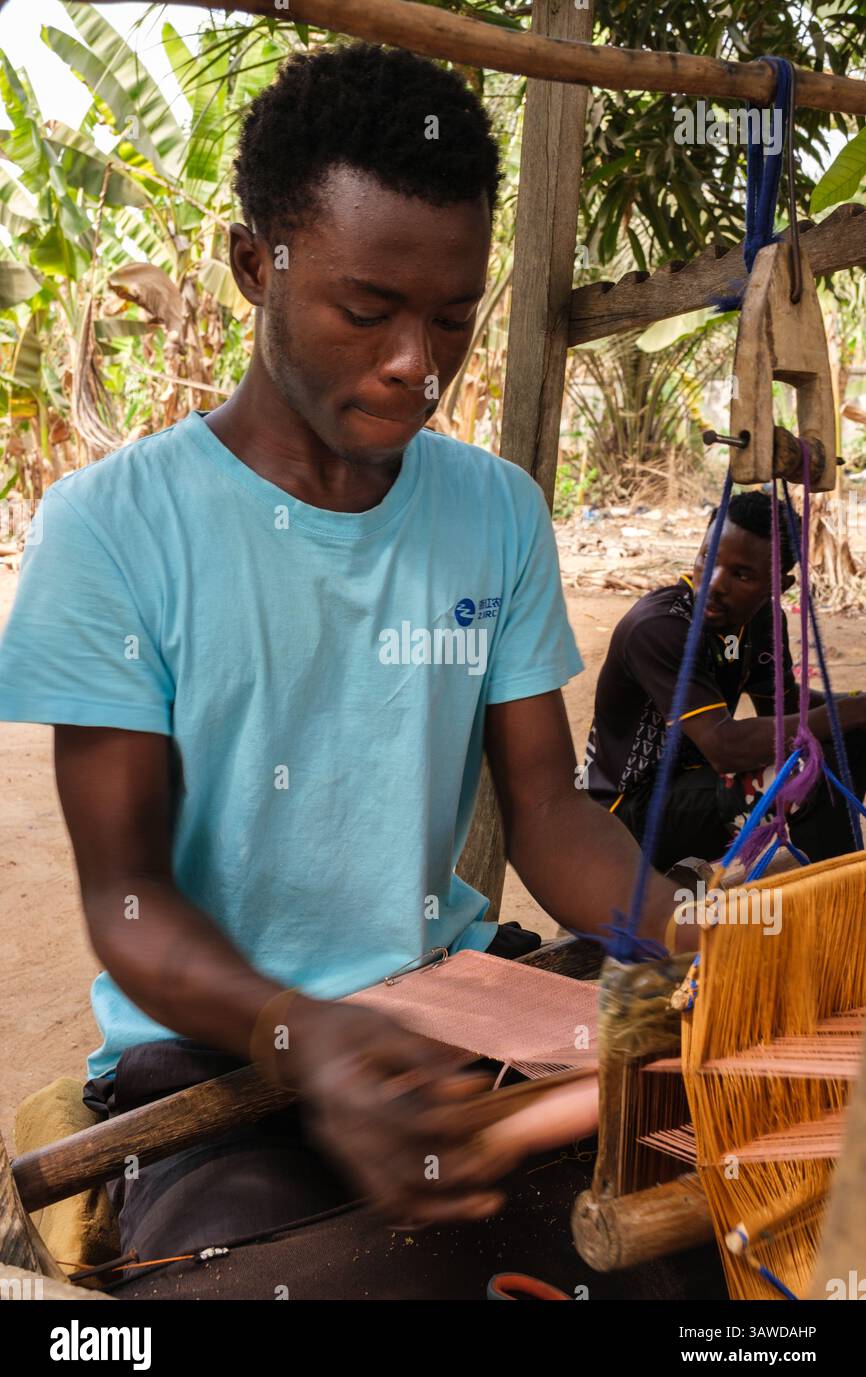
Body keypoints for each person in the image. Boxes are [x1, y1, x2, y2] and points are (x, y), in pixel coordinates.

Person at [0, 43, 683, 1276]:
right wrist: (297, 1033)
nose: (418, 362)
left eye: (452, 316)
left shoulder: (496, 511)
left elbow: (543, 807)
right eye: (369, 310)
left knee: (716, 1191)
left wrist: (691, 933)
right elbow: (128, 901)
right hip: (215, 1047)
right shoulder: (114, 529)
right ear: (254, 265)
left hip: (455, 1004)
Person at [585, 490, 866, 870]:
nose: (715, 583)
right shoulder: (661, 626)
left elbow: (783, 707)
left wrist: (855, 708)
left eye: (741, 574)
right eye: (708, 558)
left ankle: (838, 885)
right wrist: (852, 710)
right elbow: (725, 747)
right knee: (809, 775)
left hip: (696, 787)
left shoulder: (764, 620)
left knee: (852, 740)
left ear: (777, 586)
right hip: (628, 810)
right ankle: (844, 904)